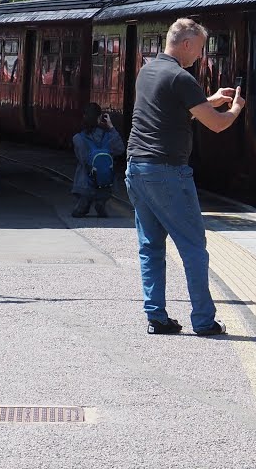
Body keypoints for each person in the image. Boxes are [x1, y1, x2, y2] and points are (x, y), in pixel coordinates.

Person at [126, 18, 244, 336]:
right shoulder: (182, 77)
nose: (200, 57)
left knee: (150, 247)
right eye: (200, 49)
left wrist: (211, 100)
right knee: (193, 247)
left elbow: (172, 109)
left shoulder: (148, 71)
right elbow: (217, 124)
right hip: (167, 171)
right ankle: (204, 321)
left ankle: (157, 317)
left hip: (137, 167)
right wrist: (234, 109)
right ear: (187, 43)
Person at [71, 102, 123, 218]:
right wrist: (111, 127)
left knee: (77, 212)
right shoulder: (108, 136)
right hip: (105, 184)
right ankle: (101, 202)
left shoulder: (78, 138)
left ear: (84, 117)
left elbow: (83, 160)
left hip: (85, 185)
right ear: (100, 118)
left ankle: (84, 203)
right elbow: (120, 149)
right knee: (104, 182)